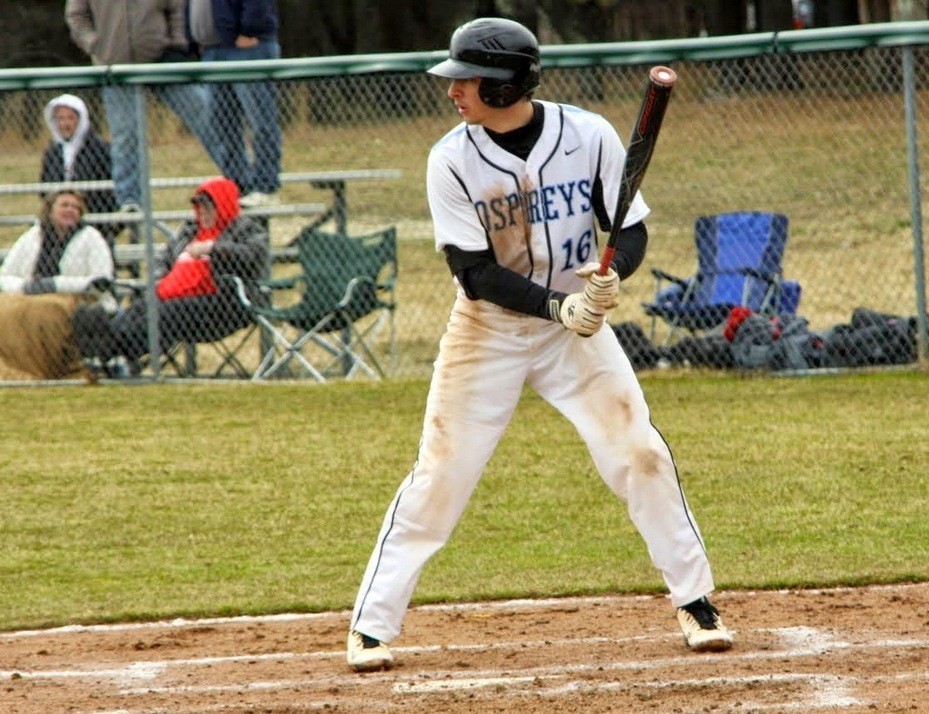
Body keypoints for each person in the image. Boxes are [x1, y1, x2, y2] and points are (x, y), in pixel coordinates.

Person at [346, 17, 734, 673]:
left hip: (577, 334)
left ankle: (696, 601)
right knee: (442, 473)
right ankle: (372, 627)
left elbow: (628, 227)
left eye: (466, 81)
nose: (453, 92)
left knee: (639, 450)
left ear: (504, 86)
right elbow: (473, 272)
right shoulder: (452, 159)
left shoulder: (588, 136)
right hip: (487, 332)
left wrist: (614, 277)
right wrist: (560, 303)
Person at [73, 176, 267, 371]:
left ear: (223, 205)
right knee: (140, 308)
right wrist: (160, 282)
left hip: (223, 305)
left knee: (163, 313)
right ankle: (104, 346)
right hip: (177, 299)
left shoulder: (246, 229)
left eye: (209, 208)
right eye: (200, 208)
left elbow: (254, 256)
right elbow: (164, 261)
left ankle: (106, 353)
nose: (203, 213)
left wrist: (213, 248)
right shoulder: (190, 231)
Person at [65, 0, 227, 212]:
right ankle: (130, 200)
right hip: (115, 66)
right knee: (126, 135)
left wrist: (176, 43)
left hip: (162, 60)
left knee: (205, 114)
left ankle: (239, 179)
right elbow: (77, 16)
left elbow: (177, 8)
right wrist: (95, 44)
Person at [0, 190, 114, 379]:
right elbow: (5, 275)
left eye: (76, 207)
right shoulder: (33, 236)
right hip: (28, 297)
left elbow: (101, 280)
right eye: (64, 205)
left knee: (46, 311)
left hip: (75, 299)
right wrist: (25, 287)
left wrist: (54, 285)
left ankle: (46, 368)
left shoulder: (91, 237)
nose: (71, 210)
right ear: (50, 209)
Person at [186, 0, 283, 208]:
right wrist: (194, 40)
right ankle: (237, 186)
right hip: (213, 50)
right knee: (222, 124)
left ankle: (265, 186)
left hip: (247, 47)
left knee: (260, 119)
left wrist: (249, 30)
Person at [39, 93, 118, 242]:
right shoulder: (53, 151)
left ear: (80, 120)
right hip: (58, 224)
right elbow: (44, 187)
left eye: (70, 118)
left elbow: (108, 193)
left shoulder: (99, 149)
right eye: (61, 119)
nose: (65, 124)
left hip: (95, 220)